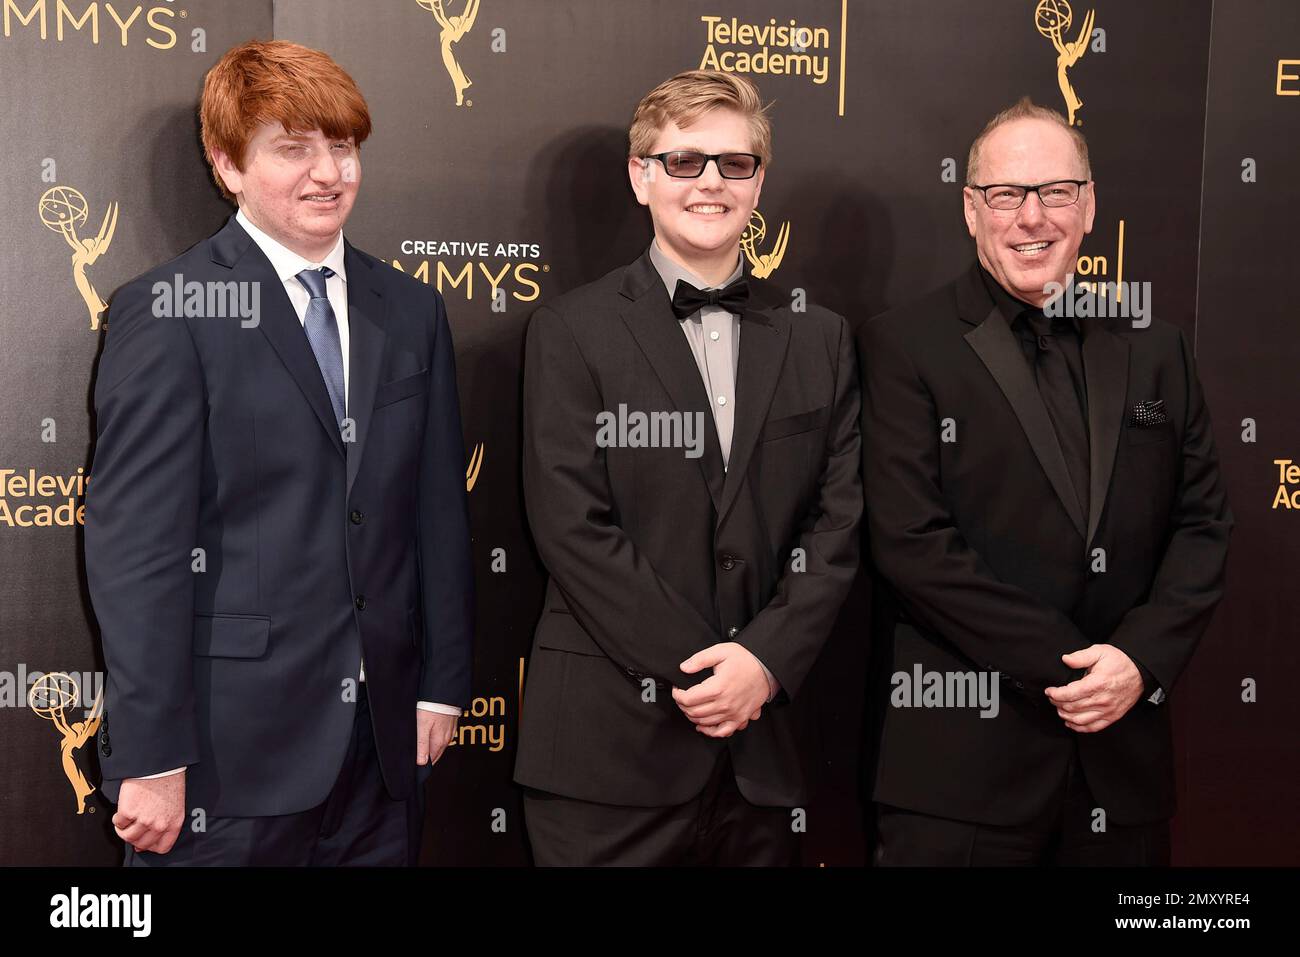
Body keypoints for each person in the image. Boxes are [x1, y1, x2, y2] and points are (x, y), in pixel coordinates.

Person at [83, 40, 474, 866]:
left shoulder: (409, 311)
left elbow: (436, 514)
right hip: (228, 760)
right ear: (227, 165)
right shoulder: (169, 310)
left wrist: (440, 683)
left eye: (343, 145)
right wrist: (150, 757)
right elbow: (138, 551)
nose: (328, 172)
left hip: (383, 753)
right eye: (292, 148)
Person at [858, 97, 1232, 865]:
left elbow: (1203, 527)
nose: (1033, 217)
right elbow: (913, 545)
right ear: (972, 209)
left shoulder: (1157, 348)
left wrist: (1136, 662)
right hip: (960, 782)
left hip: (1122, 777)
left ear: (1088, 205)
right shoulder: (905, 345)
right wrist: (1073, 667)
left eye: (1056, 191)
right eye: (1007, 195)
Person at [514, 69, 862, 866]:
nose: (711, 181)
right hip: (606, 756)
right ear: (641, 177)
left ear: (759, 181)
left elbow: (837, 524)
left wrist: (764, 664)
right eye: (684, 161)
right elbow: (572, 526)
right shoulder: (570, 331)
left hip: (763, 762)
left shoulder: (822, 338)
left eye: (734, 163)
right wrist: (713, 673)